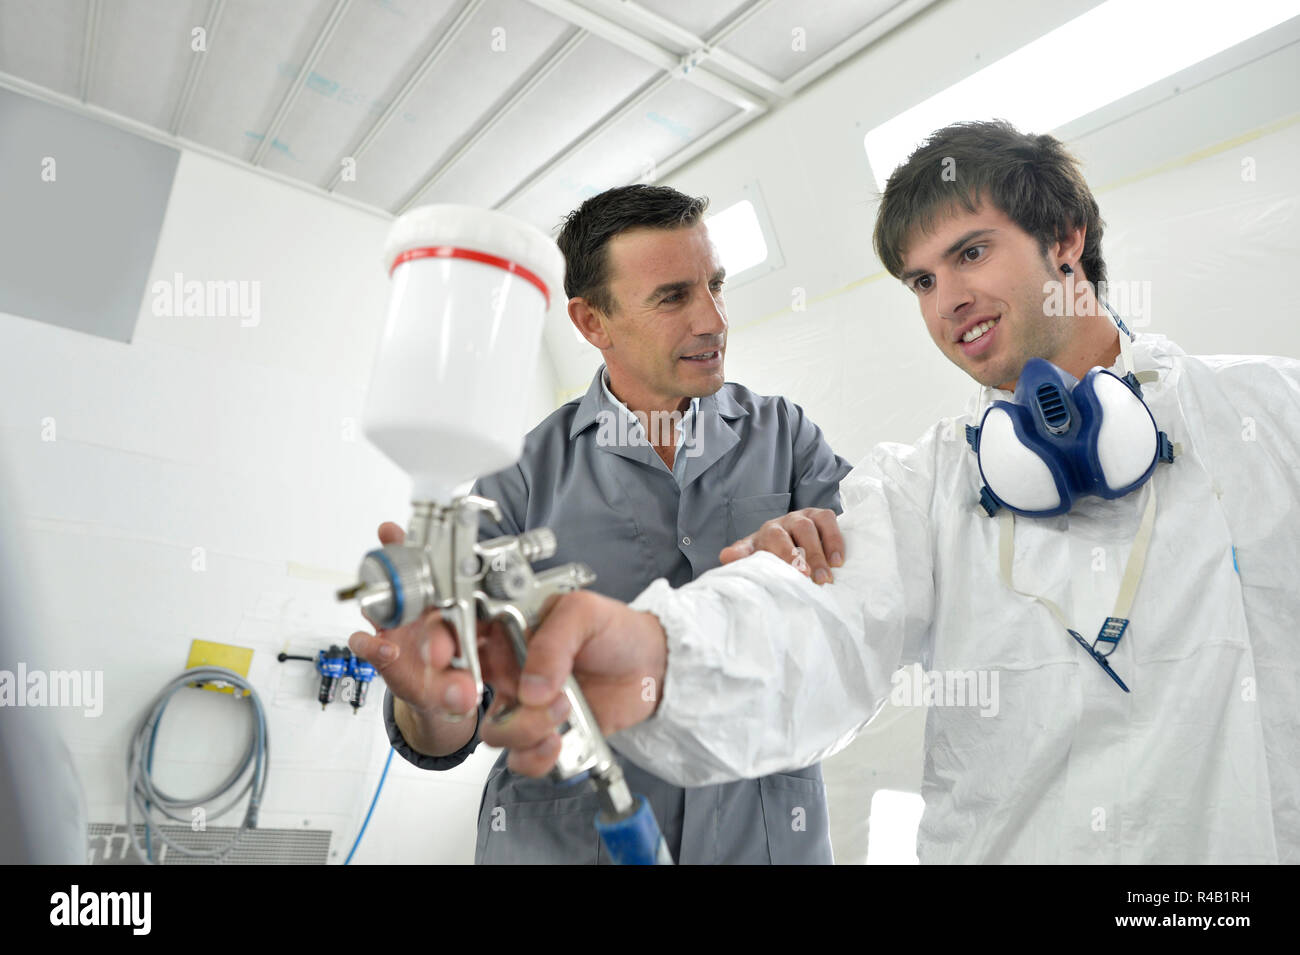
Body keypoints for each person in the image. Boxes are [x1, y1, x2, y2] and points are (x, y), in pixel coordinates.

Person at [471, 120, 1300, 864]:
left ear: (1065, 237)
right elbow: (815, 615)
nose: (949, 303)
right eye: (922, 282)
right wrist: (659, 658)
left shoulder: (1273, 414)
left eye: (970, 253)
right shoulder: (931, 484)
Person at [349, 184, 853, 864]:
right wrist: (434, 698)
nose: (713, 318)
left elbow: (863, 622)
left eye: (716, 285)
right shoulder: (518, 477)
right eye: (674, 296)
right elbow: (448, 729)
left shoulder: (786, 439)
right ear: (592, 323)